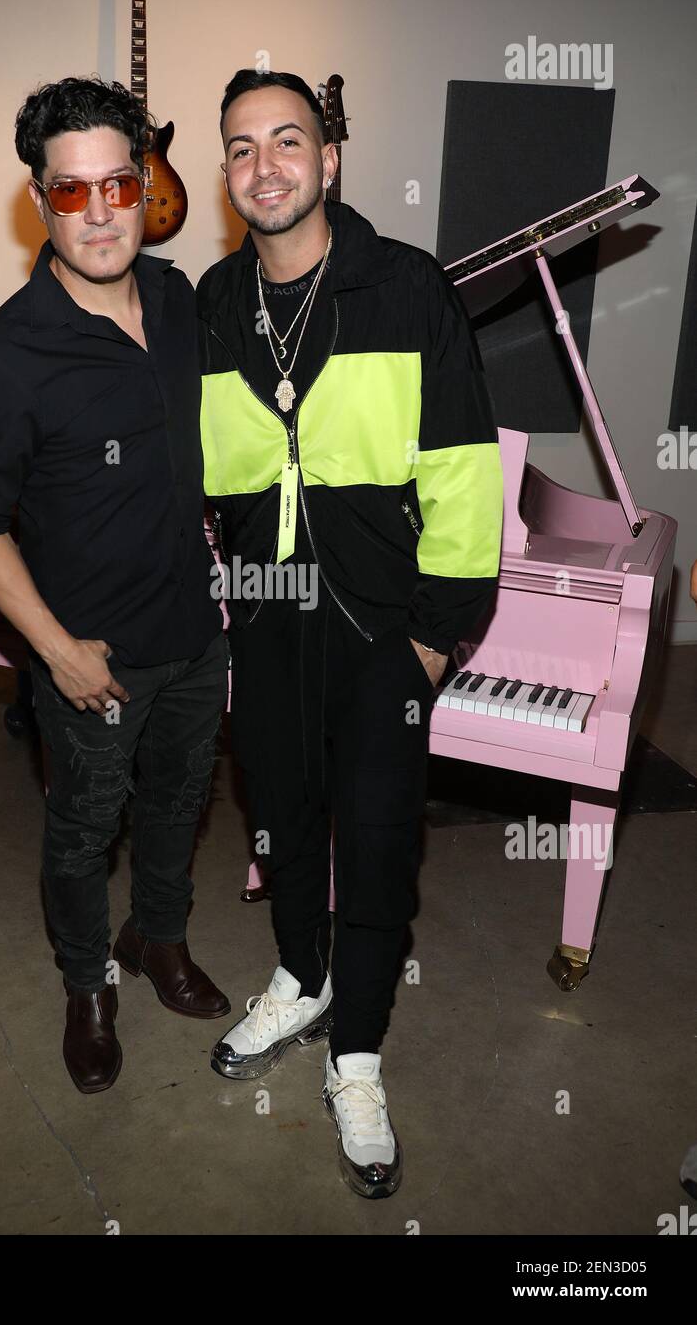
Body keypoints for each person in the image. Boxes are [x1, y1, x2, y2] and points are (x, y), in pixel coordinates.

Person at [197, 69, 504, 1197]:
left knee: (375, 851)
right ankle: (301, 975)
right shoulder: (213, 302)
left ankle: (358, 1054)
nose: (265, 164)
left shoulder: (407, 287)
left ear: (328, 159)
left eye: (288, 140)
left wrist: (433, 638)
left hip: (384, 635)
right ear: (226, 175)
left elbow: (465, 473)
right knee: (281, 824)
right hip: (266, 624)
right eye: (242, 147)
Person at [0, 76, 229, 1096]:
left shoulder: (180, 301)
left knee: (180, 803)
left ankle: (156, 938)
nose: (101, 211)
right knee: (81, 829)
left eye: (120, 183)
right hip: (90, 657)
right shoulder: (2, 361)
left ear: (145, 186)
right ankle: (86, 988)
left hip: (195, 631)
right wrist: (57, 653)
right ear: (40, 200)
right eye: (72, 191)